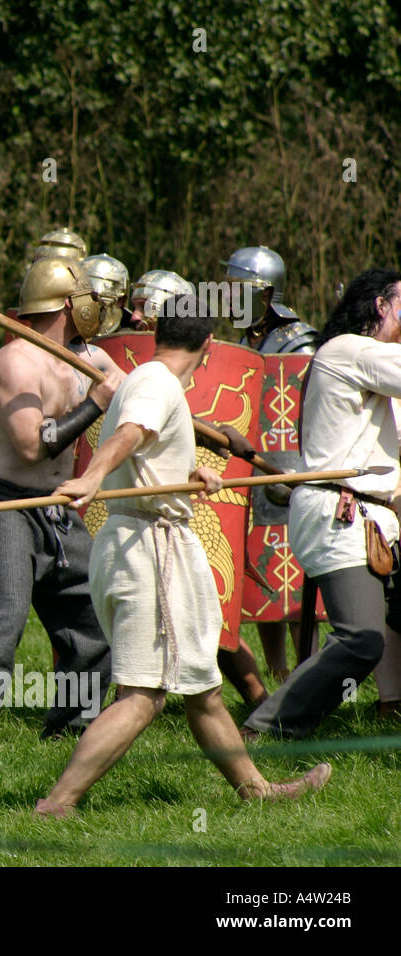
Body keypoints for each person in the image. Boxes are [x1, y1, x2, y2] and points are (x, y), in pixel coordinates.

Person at [35, 295, 331, 816]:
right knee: (142, 696)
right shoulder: (157, 383)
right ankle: (57, 804)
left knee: (203, 689)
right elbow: (135, 432)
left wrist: (185, 480)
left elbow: (146, 453)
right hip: (146, 551)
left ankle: (257, 792)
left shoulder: (142, 379)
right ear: (209, 345)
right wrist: (94, 474)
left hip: (148, 541)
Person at [0, 256, 120, 755]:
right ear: (68, 304)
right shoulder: (14, 360)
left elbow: (138, 406)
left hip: (59, 505)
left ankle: (69, 727)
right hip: (4, 503)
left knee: (92, 619)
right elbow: (31, 444)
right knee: (6, 617)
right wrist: (96, 403)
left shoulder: (92, 358)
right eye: (86, 298)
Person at [242, 269, 401, 740]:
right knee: (360, 640)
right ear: (380, 306)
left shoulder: (370, 361)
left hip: (371, 515)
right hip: (343, 513)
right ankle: (266, 730)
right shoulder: (349, 351)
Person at [226, 246, 317, 687]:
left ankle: (310, 673)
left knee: (298, 579)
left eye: (235, 291)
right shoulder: (244, 344)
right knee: (266, 575)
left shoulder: (302, 342)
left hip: (294, 473)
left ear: (263, 296)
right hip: (257, 474)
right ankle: (278, 669)